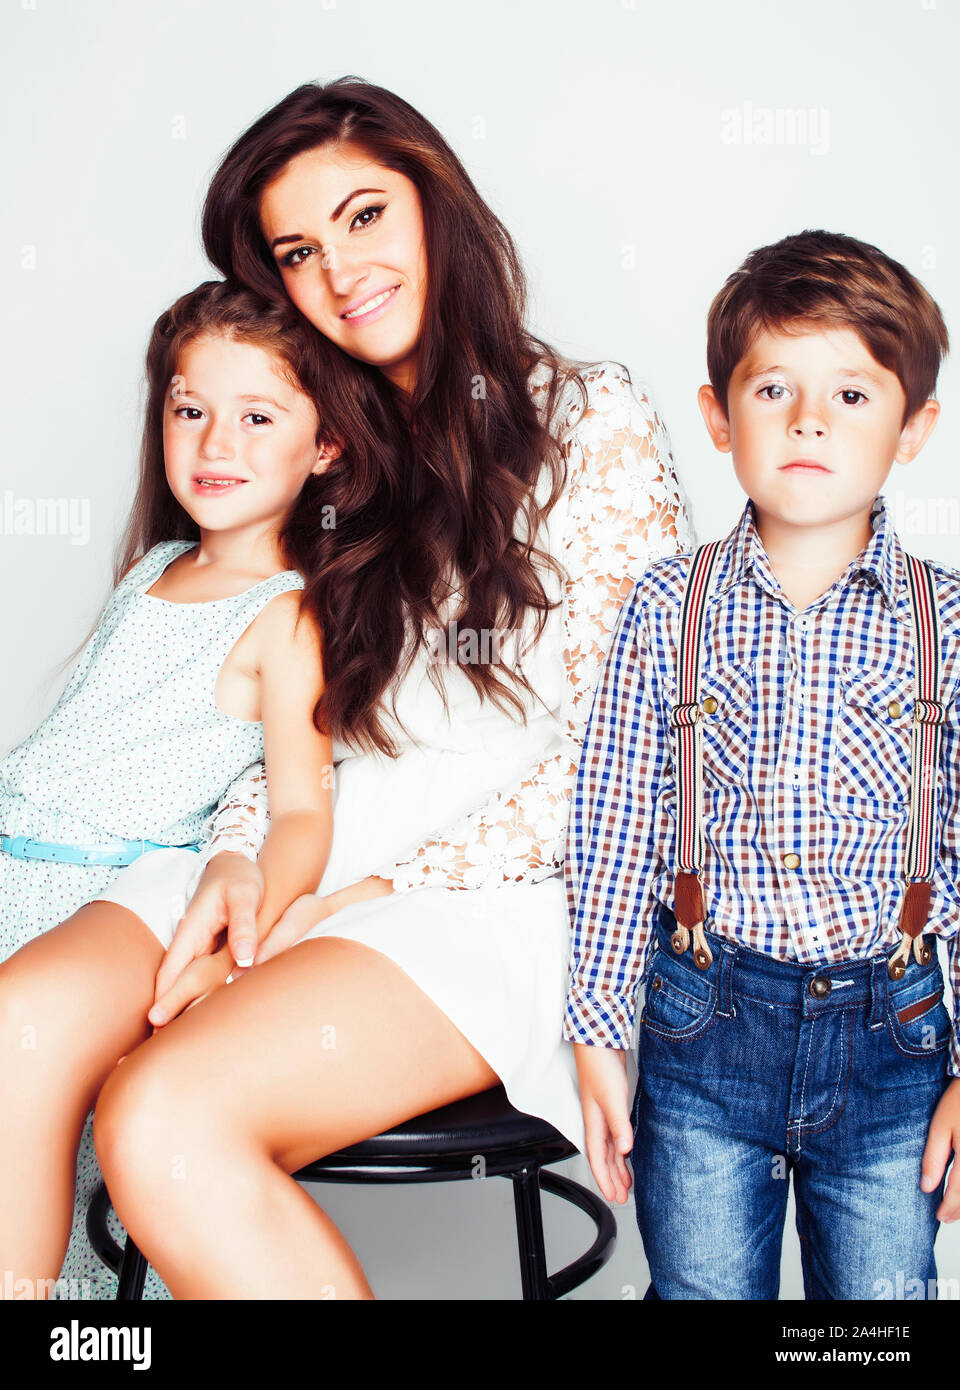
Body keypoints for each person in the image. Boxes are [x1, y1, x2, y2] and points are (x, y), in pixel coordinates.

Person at [69, 77, 696, 1299]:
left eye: (365, 217)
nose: (340, 270)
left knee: (161, 1121)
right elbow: (281, 727)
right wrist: (244, 864)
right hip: (328, 854)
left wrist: (374, 885)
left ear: (436, 207)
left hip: (522, 884)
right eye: (300, 250)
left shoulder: (591, 416)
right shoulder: (313, 448)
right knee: (53, 1054)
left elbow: (634, 753)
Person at [565, 229, 960, 1300]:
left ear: (914, 429)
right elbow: (614, 825)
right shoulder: (670, 603)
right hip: (706, 1022)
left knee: (878, 1310)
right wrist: (600, 1029)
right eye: (774, 387)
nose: (808, 421)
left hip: (895, 1030)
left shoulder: (947, 622)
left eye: (852, 395)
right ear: (716, 416)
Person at [0, 278, 352, 1298]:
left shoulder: (287, 618)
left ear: (324, 445)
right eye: (190, 410)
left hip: (105, 893)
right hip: (19, 868)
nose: (214, 445)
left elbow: (300, 810)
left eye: (257, 417)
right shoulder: (151, 567)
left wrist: (244, 901)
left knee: (23, 1050)